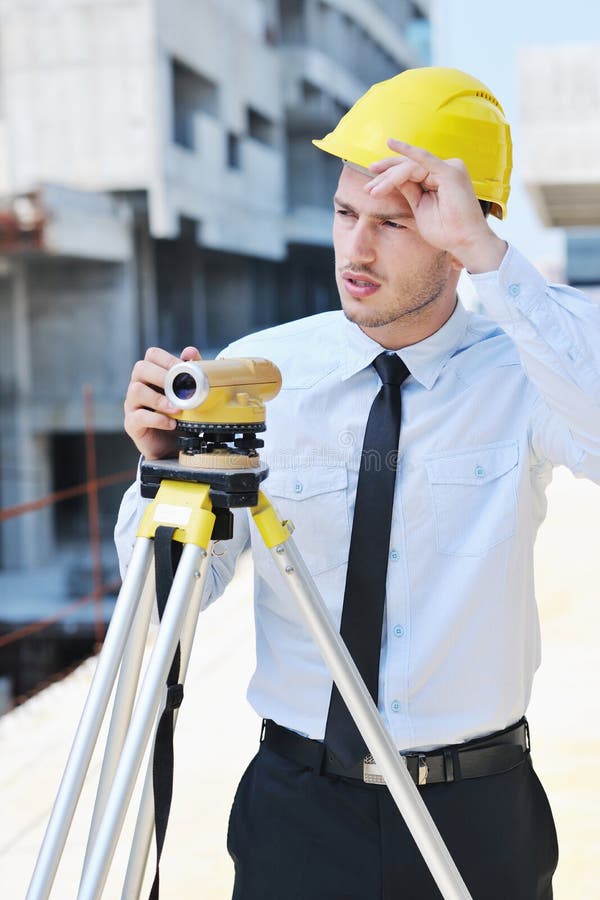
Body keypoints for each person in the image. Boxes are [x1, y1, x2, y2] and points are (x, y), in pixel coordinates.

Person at [115, 67, 600, 899]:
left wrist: (492, 258)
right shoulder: (266, 372)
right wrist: (165, 476)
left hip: (476, 811)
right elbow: (162, 607)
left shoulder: (527, 369)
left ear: (460, 229)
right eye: (345, 214)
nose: (357, 249)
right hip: (297, 806)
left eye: (394, 221)